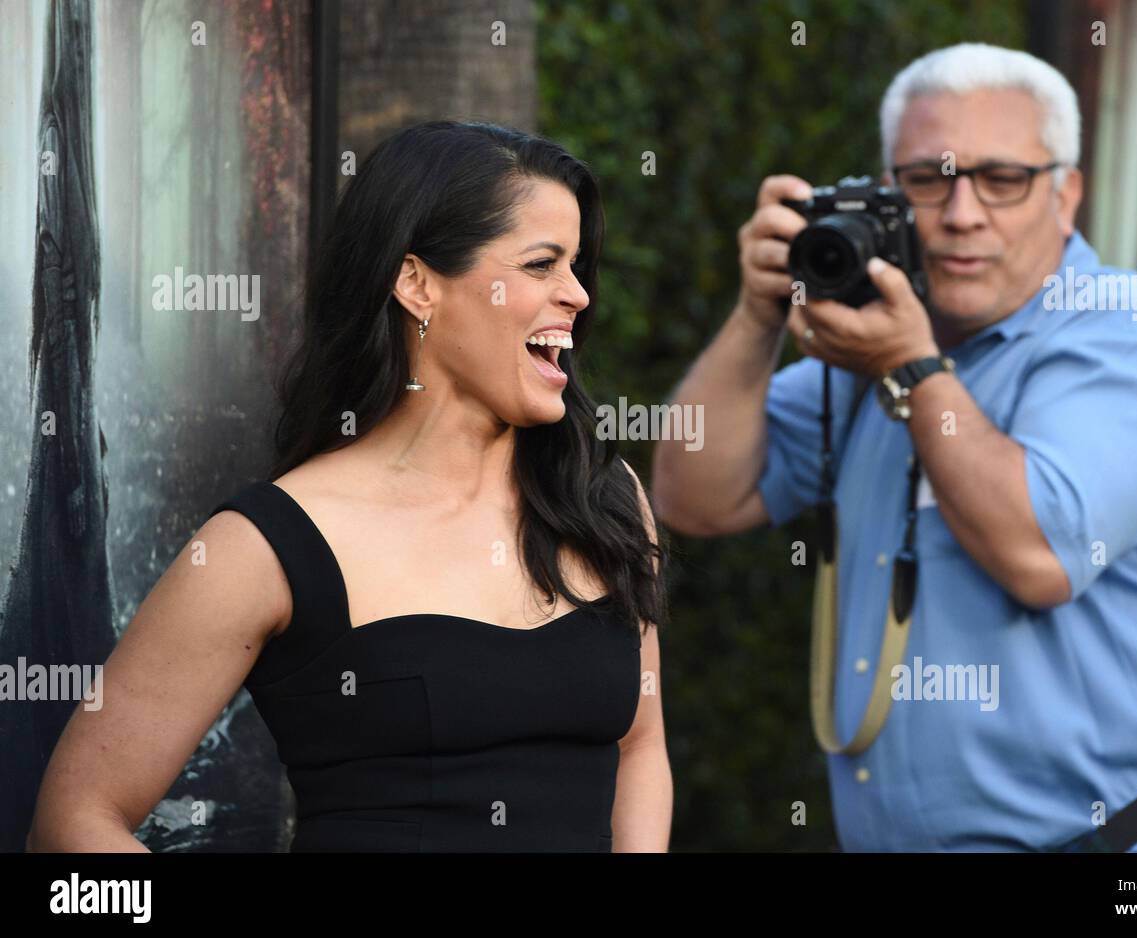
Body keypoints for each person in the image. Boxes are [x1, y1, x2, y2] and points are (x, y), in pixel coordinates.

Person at [652, 42, 1137, 852]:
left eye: (1002, 179)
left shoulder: (1125, 329)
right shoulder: (875, 348)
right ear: (886, 192)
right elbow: (695, 497)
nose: (962, 213)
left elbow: (1038, 553)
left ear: (1067, 195)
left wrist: (909, 367)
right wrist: (757, 317)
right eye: (929, 179)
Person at [28, 121, 672, 853]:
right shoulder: (266, 545)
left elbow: (639, 746)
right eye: (541, 264)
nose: (578, 294)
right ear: (417, 284)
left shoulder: (602, 496)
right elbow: (71, 822)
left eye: (578, 264)